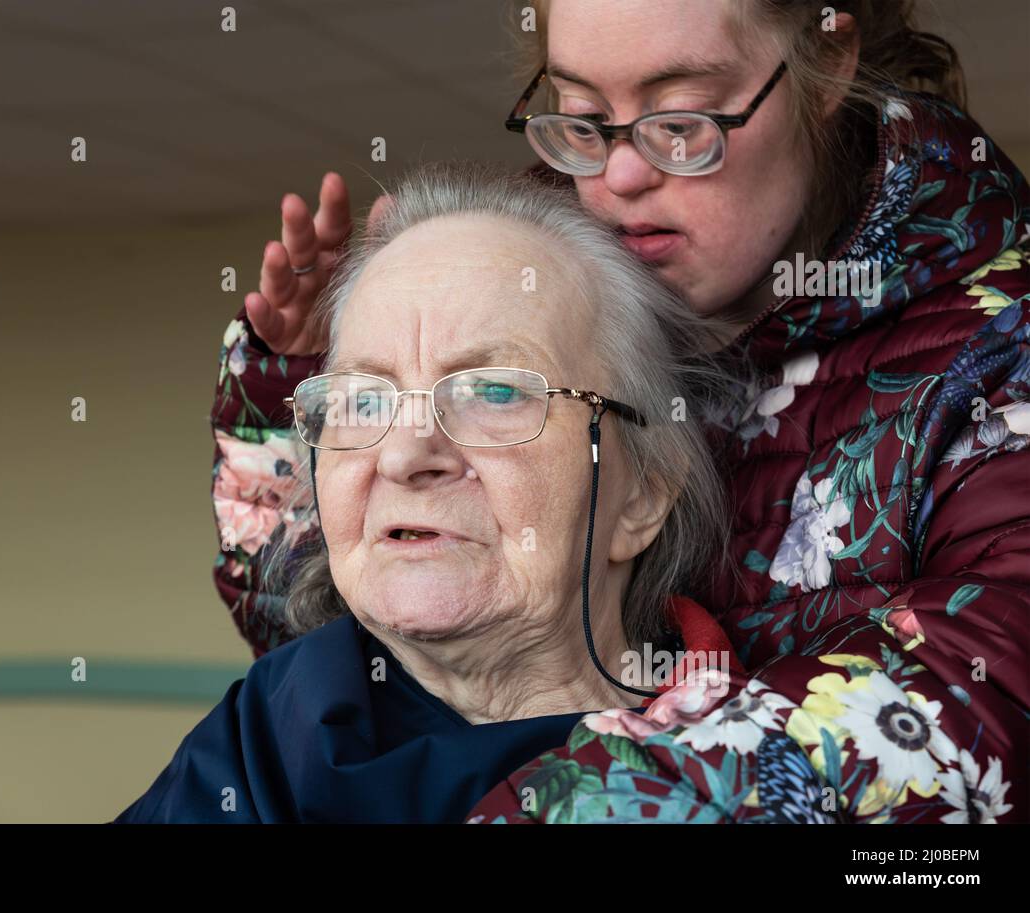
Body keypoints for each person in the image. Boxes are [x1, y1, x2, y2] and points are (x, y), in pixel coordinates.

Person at [203, 0, 1029, 823]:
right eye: (585, 117)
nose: (620, 176)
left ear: (825, 66)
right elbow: (372, 646)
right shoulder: (547, 281)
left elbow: (987, 693)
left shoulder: (1003, 344)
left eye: (681, 119)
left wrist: (577, 806)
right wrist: (303, 397)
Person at [115, 162, 738, 823]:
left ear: (642, 492)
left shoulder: (747, 772)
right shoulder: (262, 732)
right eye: (362, 398)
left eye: (495, 391)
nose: (406, 454)